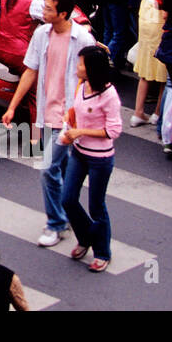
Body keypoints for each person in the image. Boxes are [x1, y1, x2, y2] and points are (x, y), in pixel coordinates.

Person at [3, 0, 96, 247]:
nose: (42, 11)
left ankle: (56, 223)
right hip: (46, 115)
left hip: (70, 118)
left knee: (48, 169)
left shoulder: (83, 40)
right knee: (58, 170)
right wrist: (13, 106)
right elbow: (30, 71)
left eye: (47, 8)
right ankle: (64, 217)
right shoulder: (41, 35)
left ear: (63, 13)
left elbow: (90, 82)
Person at [59, 45, 122, 273]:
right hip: (79, 152)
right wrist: (69, 118)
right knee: (68, 199)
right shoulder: (82, 85)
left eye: (81, 64)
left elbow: (113, 131)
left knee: (97, 207)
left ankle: (102, 252)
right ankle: (85, 237)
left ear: (92, 69)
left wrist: (81, 132)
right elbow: (77, 108)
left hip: (100, 159)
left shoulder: (109, 95)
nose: (77, 68)